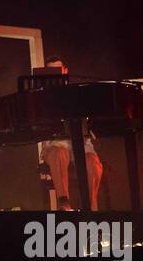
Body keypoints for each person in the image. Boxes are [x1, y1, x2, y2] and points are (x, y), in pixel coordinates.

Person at [38, 57, 103, 210]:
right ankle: (64, 204)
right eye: (51, 72)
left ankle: (91, 207)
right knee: (59, 153)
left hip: (81, 145)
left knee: (92, 162)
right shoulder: (39, 97)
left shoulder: (78, 93)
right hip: (55, 146)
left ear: (65, 71)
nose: (55, 76)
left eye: (58, 71)